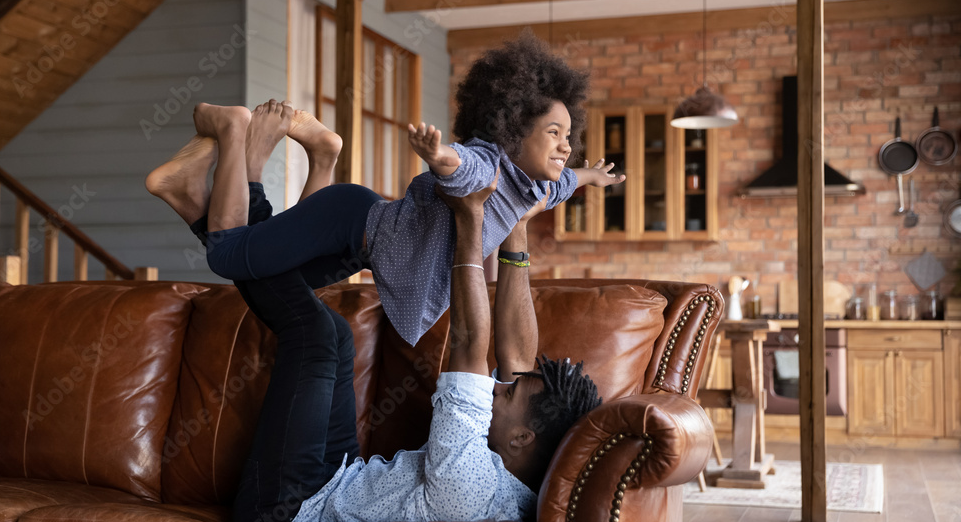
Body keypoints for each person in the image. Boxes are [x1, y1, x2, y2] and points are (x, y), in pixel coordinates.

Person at [146, 111, 602, 522]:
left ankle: (229, 170)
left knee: (315, 334)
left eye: (509, 393)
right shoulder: (519, 489)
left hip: (287, 512)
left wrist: (473, 217)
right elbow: (518, 356)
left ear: (523, 436)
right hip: (340, 477)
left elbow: (467, 344)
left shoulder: (471, 486)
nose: (498, 386)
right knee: (335, 334)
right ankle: (191, 198)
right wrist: (517, 227)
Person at [161, 33, 625, 348]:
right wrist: (437, 152)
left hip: (362, 248)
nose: (567, 145)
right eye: (554, 133)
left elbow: (568, 181)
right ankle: (233, 128)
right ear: (511, 132)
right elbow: (459, 168)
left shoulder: (534, 190)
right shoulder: (489, 168)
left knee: (280, 279)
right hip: (347, 217)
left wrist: (594, 176)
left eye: (569, 135)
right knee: (226, 258)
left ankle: (321, 155)